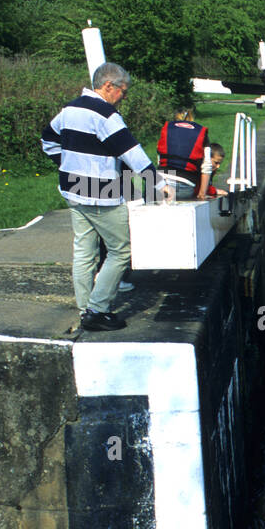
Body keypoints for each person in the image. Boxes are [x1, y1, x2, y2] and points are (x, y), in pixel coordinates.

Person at [41, 62, 170, 331]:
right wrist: (157, 183)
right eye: (123, 91)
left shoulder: (69, 109)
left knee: (84, 252)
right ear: (108, 86)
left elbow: (47, 140)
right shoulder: (106, 115)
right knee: (121, 250)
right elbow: (131, 152)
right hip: (101, 194)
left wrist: (67, 163)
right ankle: (98, 310)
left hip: (71, 189)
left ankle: (85, 309)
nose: (123, 96)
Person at [157, 108, 209, 200]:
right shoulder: (201, 133)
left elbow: (160, 160)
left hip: (159, 183)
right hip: (183, 186)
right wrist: (202, 194)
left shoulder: (167, 128)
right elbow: (207, 167)